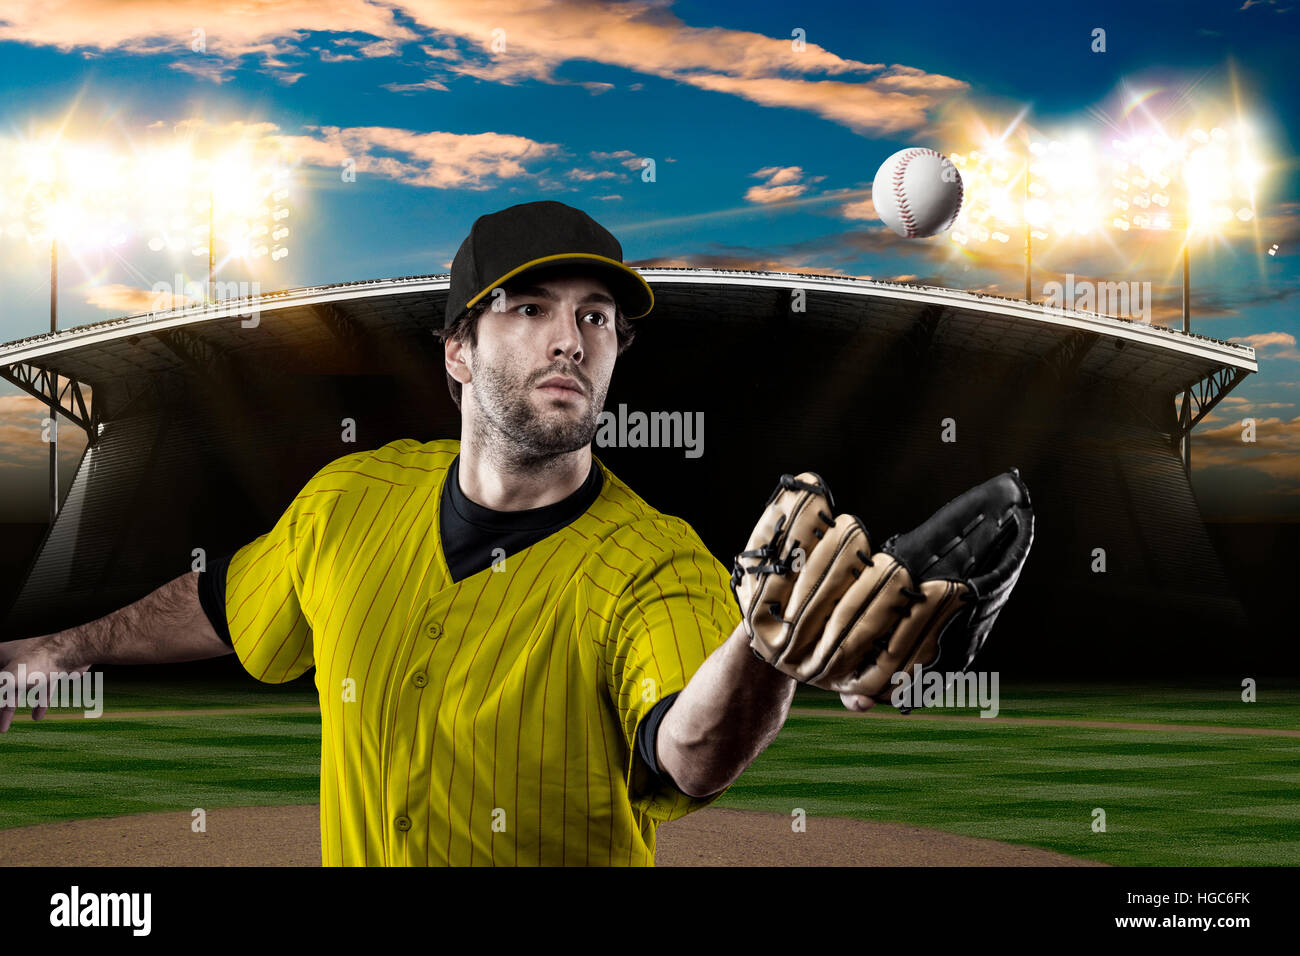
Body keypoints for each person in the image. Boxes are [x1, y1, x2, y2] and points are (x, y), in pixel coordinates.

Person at [0, 200, 870, 866]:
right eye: (529, 308)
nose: (570, 339)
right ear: (457, 351)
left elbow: (685, 752)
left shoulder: (656, 561)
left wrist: (761, 653)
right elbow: (225, 601)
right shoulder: (351, 499)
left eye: (596, 317)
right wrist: (62, 648)